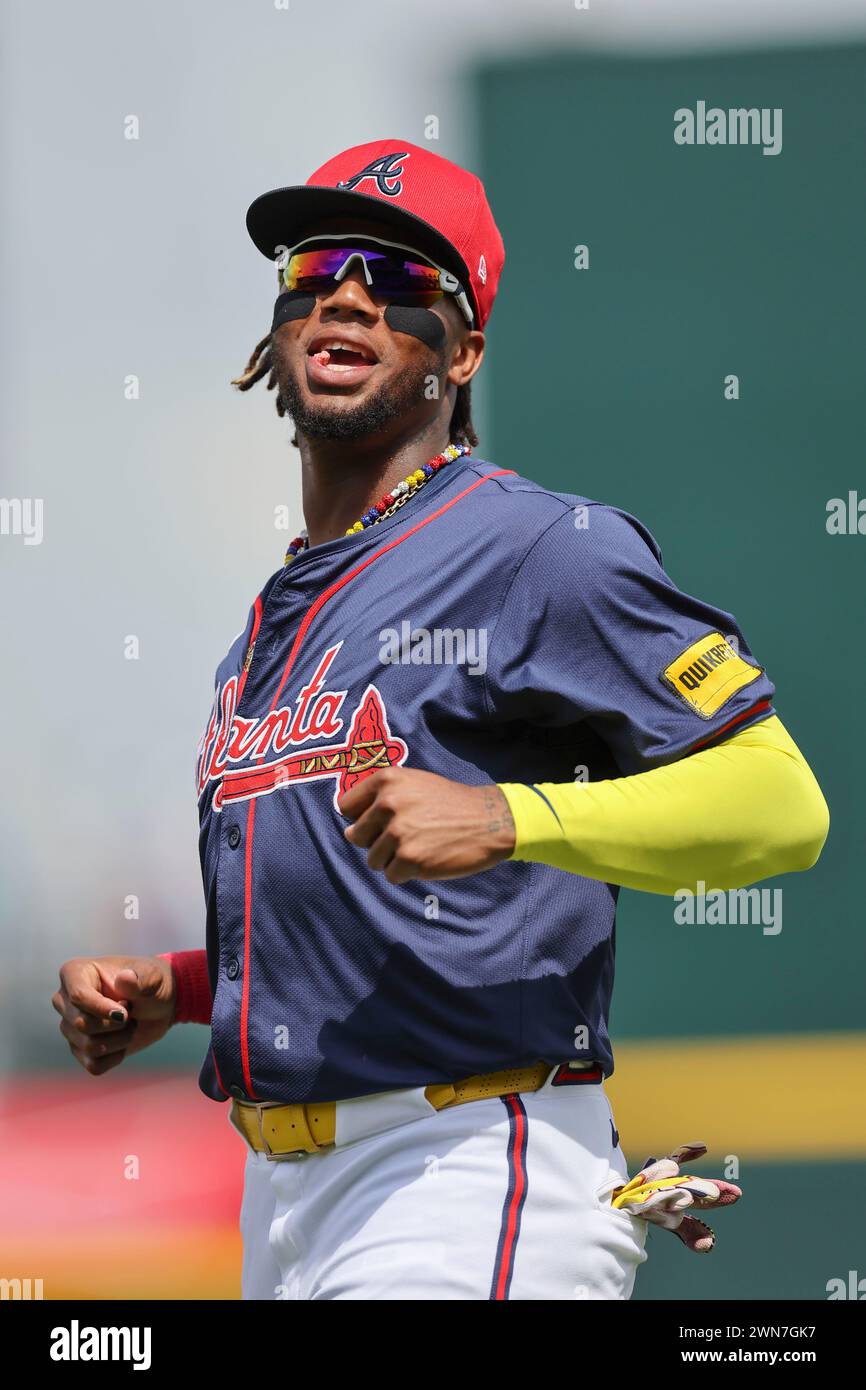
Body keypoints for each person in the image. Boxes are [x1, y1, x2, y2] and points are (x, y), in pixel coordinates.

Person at [53, 139, 829, 1301]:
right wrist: (188, 985)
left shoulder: (535, 548)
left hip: (459, 1169)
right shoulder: (276, 617)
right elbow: (384, 923)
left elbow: (782, 806)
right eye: (317, 265)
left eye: (400, 275)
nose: (348, 291)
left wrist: (506, 815)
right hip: (281, 1205)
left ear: (461, 349)